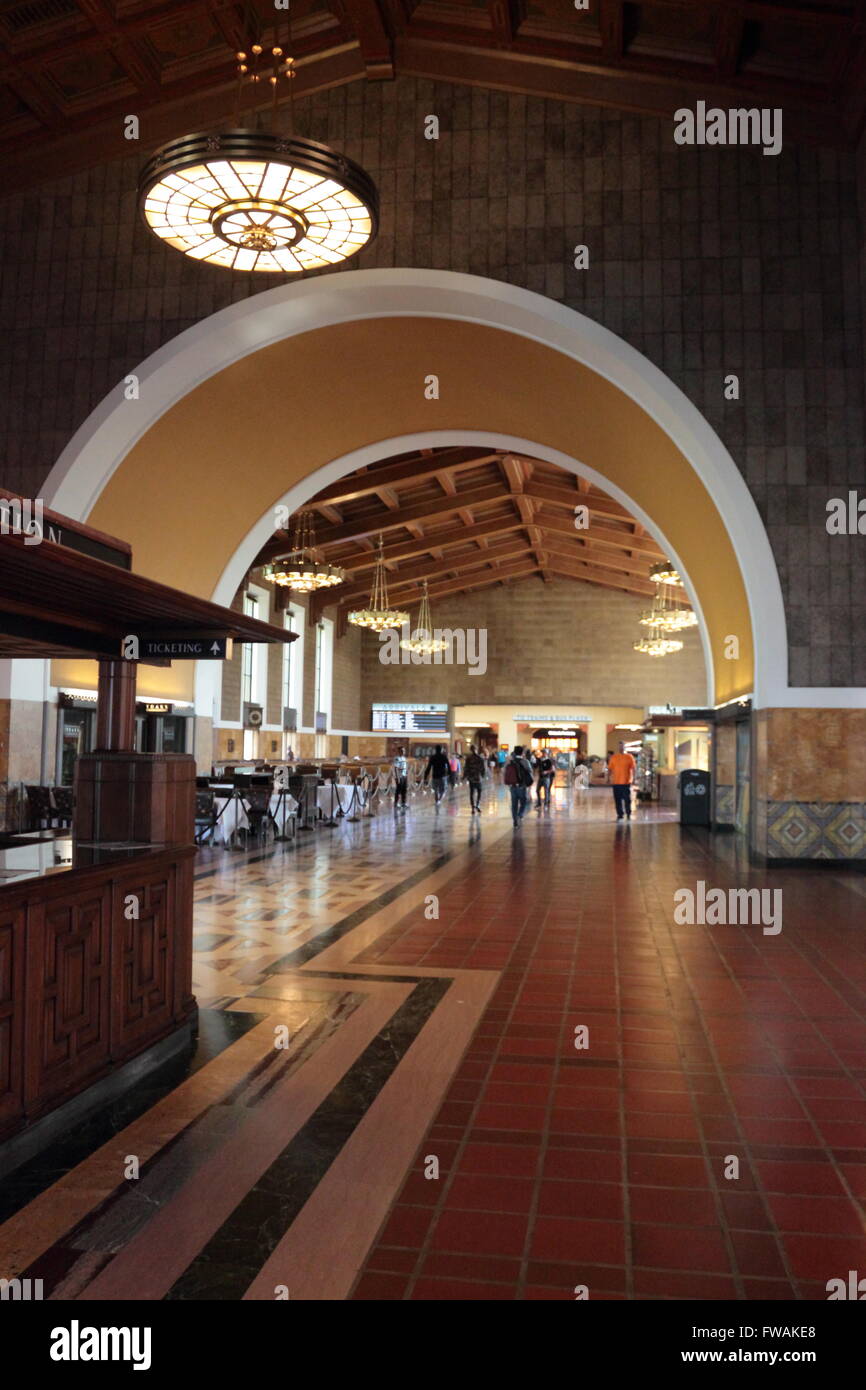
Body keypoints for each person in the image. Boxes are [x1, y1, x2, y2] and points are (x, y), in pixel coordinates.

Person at [503, 745, 534, 827]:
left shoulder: (510, 762)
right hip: (522, 786)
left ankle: (515, 820)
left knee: (514, 804)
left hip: (512, 786)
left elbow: (505, 772)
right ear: (522, 752)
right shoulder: (525, 761)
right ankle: (520, 814)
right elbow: (530, 771)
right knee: (524, 802)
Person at [608, 741, 636, 820]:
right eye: (620, 746)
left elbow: (633, 768)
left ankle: (628, 812)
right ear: (618, 747)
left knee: (627, 799)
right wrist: (608, 778)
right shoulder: (614, 757)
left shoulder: (629, 757)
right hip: (616, 782)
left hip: (626, 782)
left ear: (625, 747)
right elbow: (610, 769)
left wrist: (634, 779)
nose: (621, 748)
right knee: (617, 799)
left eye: (622, 746)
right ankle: (620, 814)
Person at [463, 744, 486, 813]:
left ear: (470, 750)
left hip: (471, 778)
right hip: (478, 778)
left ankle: (473, 807)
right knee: (479, 792)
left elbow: (466, 768)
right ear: (476, 749)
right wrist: (483, 775)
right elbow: (483, 768)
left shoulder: (468, 758)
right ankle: (478, 805)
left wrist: (464, 776)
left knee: (472, 793)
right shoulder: (480, 758)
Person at [392, 746, 408, 811]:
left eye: (404, 750)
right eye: (401, 751)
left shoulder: (404, 758)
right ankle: (396, 803)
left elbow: (405, 767)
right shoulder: (397, 758)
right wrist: (397, 778)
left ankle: (403, 803)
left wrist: (406, 774)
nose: (403, 752)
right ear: (399, 751)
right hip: (399, 776)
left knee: (404, 790)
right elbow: (396, 768)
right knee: (398, 790)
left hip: (404, 776)